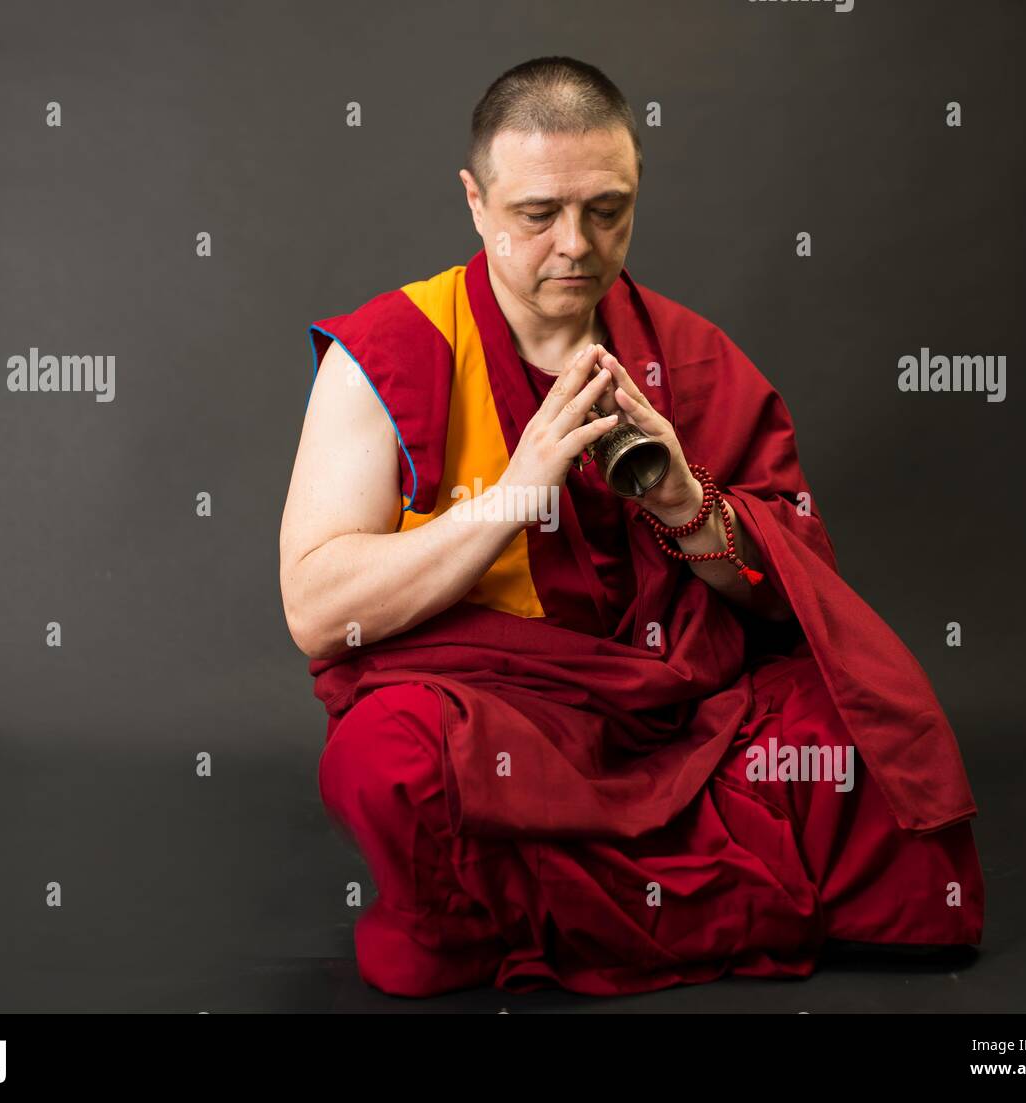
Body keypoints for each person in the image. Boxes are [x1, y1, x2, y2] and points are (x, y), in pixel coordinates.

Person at [278, 56, 985, 998]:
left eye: (607, 210)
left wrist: (684, 502)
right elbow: (321, 613)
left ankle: (541, 913)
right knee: (387, 758)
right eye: (537, 214)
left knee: (854, 724)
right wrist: (518, 487)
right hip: (500, 716)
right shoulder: (396, 349)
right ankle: (700, 905)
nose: (575, 244)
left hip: (675, 718)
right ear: (476, 201)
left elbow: (793, 602)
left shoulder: (688, 357)